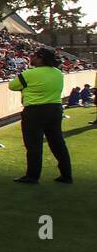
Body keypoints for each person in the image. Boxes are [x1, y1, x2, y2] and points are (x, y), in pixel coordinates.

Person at [9, 48, 73, 183]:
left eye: (34, 56)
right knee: (58, 143)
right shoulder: (58, 73)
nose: (31, 58)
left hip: (34, 111)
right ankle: (66, 174)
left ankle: (33, 176)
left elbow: (12, 86)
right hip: (55, 109)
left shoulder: (29, 74)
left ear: (40, 58)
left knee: (33, 145)